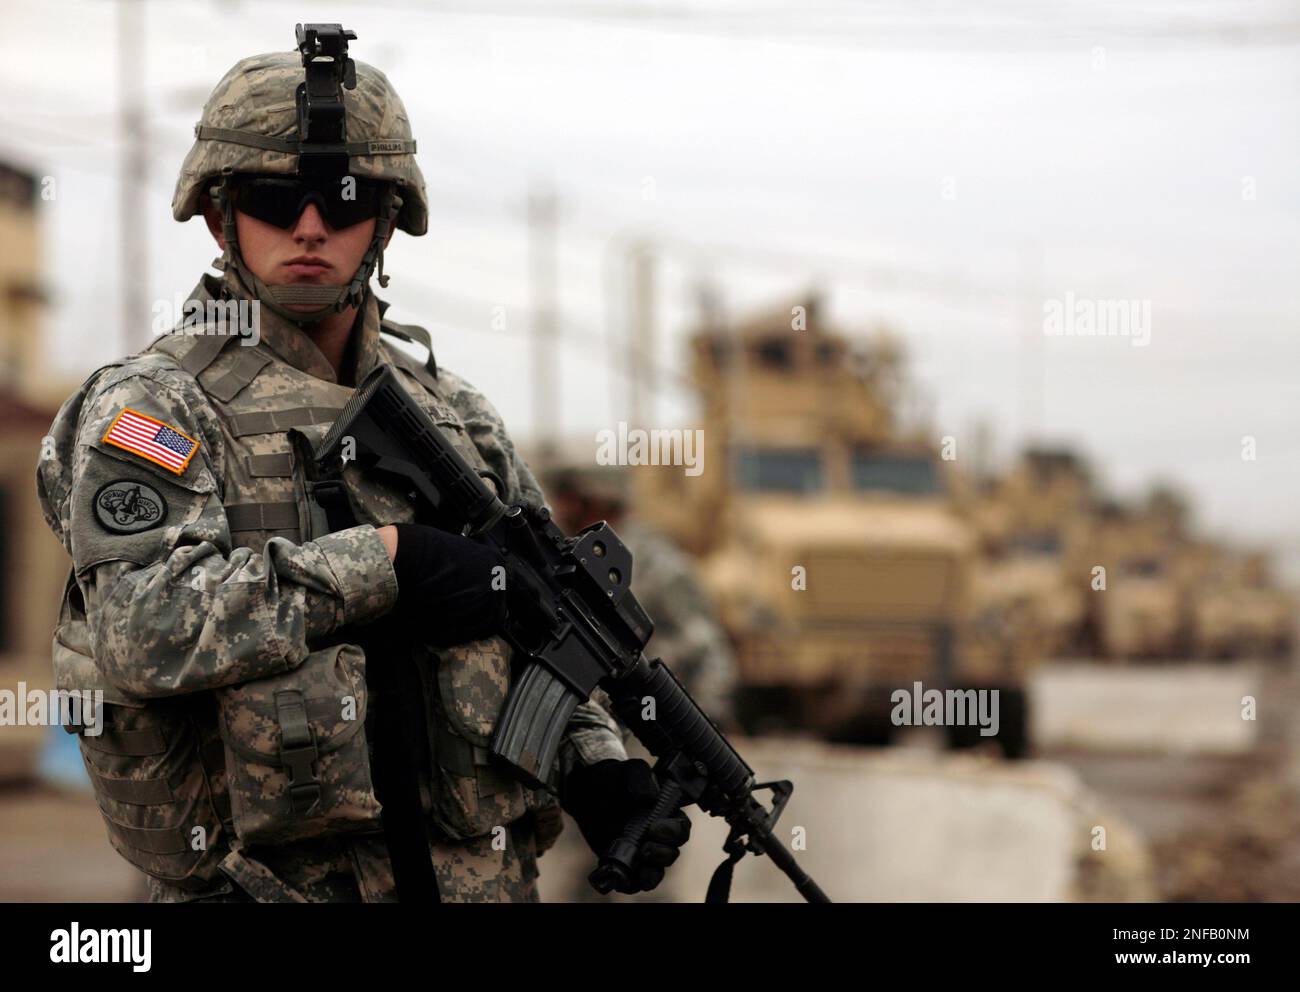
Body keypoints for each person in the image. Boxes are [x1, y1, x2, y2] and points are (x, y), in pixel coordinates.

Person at [34, 25, 687, 903]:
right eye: (275, 198)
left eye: (342, 205)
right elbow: (144, 630)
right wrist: (386, 562)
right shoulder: (154, 407)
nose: (310, 227)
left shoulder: (455, 417)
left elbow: (538, 633)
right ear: (222, 214)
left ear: (384, 222)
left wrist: (598, 769)